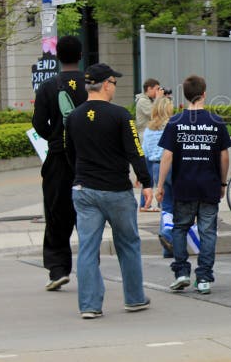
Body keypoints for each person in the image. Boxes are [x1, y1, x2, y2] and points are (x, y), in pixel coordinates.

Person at [65, 63, 152, 319]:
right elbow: (135, 150)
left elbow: (70, 153)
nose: (115, 87)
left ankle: (89, 305)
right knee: (128, 244)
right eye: (114, 83)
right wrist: (146, 182)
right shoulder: (120, 115)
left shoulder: (73, 117)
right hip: (116, 190)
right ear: (105, 85)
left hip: (84, 189)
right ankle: (134, 298)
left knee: (87, 248)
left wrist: (81, 175)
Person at [155, 75, 231, 295]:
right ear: (204, 93)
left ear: (185, 95)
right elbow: (224, 156)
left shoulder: (175, 122)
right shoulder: (216, 121)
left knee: (180, 228)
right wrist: (223, 182)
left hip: (184, 185)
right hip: (209, 185)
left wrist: (160, 185)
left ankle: (181, 272)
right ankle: (204, 277)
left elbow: (167, 156)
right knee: (208, 232)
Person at [31, 35, 87, 292]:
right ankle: (89, 267)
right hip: (87, 157)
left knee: (56, 213)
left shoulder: (47, 86)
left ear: (57, 56)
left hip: (58, 157)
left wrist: (55, 138)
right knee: (88, 215)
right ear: (81, 55)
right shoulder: (91, 83)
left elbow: (38, 123)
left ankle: (57, 270)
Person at [142, 97, 175, 255]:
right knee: (179, 205)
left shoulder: (148, 129)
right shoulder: (172, 126)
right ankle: (171, 236)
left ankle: (167, 247)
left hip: (155, 167)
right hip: (171, 166)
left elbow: (146, 153)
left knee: (166, 206)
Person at [135, 78, 164, 209]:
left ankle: (158, 202)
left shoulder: (150, 100)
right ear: (149, 88)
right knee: (149, 175)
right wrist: (159, 99)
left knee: (154, 175)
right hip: (146, 142)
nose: (158, 91)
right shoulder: (142, 101)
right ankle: (144, 204)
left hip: (152, 141)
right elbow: (154, 113)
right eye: (156, 89)